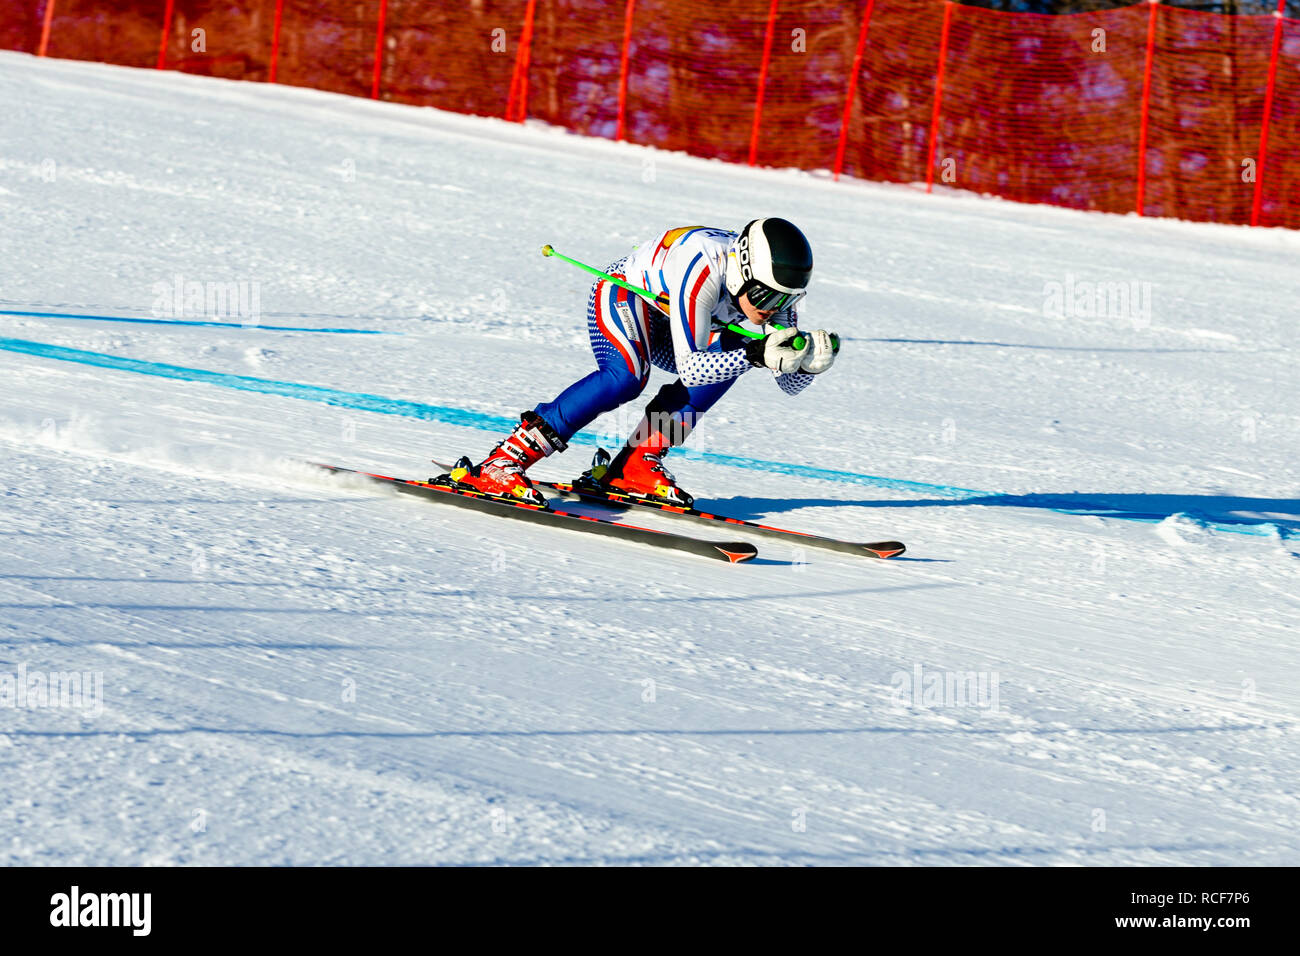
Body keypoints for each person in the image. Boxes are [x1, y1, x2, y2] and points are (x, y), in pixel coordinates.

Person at [448, 218, 837, 508]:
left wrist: (808, 363)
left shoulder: (778, 296)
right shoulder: (702, 266)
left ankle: (634, 463)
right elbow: (692, 369)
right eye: (766, 298)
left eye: (785, 301)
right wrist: (756, 354)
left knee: (735, 349)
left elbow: (787, 383)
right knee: (627, 376)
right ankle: (503, 461)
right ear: (744, 273)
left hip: (674, 320)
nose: (773, 311)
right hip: (625, 296)